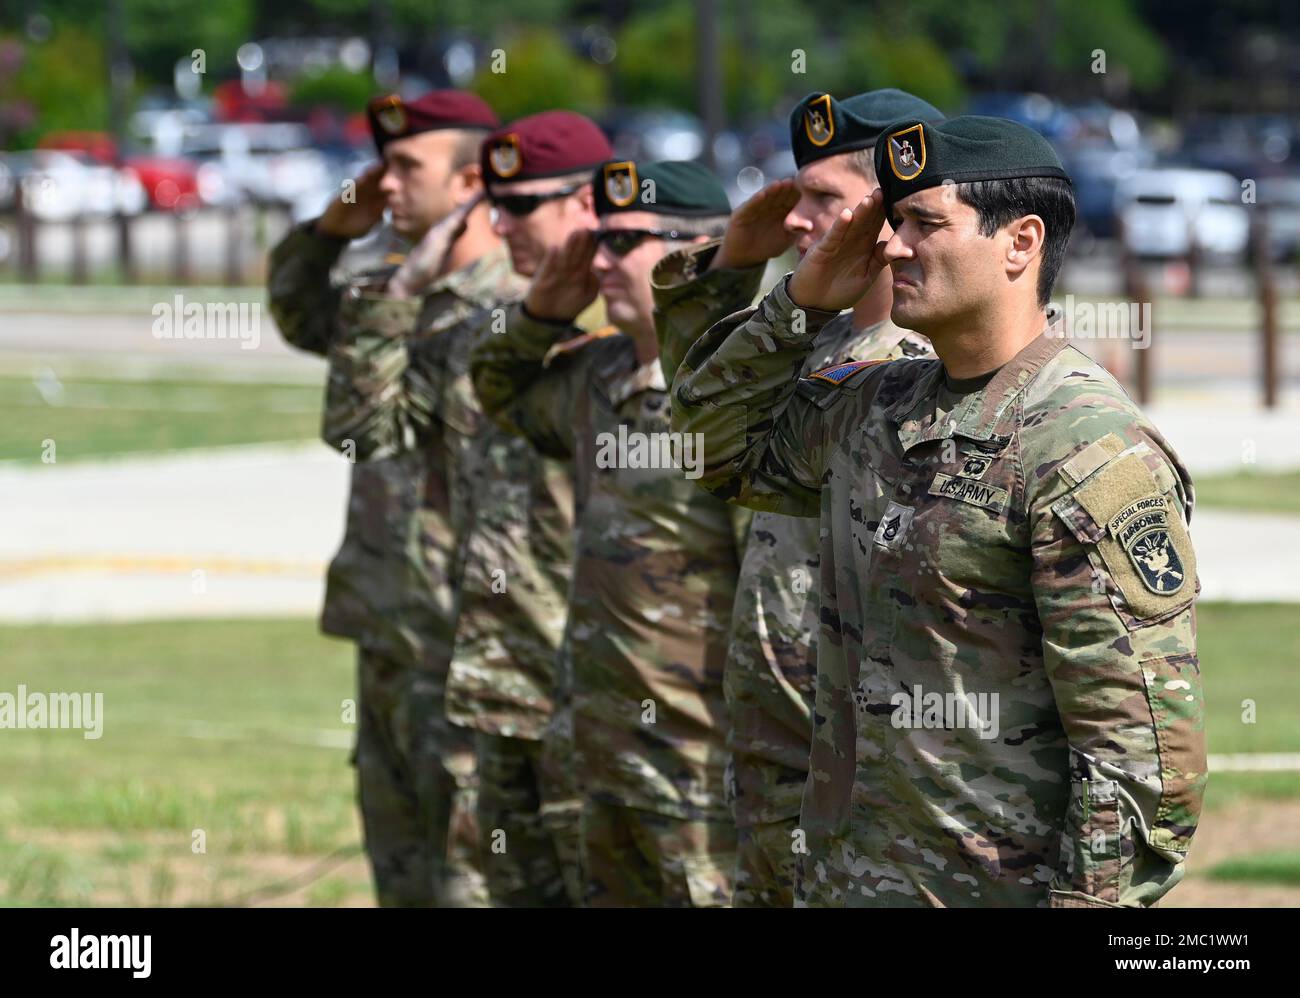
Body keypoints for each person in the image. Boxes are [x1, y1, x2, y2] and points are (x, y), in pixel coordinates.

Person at [671, 115, 1205, 907]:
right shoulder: (877, 402)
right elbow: (707, 447)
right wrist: (803, 301)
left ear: (1019, 243)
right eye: (892, 222)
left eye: (925, 223)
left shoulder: (1084, 443)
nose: (891, 246)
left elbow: (1140, 761)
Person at [650, 89, 940, 907]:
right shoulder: (819, 338)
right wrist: (732, 272)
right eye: (797, 195)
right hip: (776, 747)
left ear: (889, 212)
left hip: (865, 761)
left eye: (825, 199)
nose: (799, 221)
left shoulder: (920, 364)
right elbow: (699, 417)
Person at [470, 159, 748, 907]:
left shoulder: (737, 390)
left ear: (696, 254)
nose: (598, 262)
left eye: (623, 241)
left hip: (698, 774)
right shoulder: (599, 373)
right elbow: (496, 389)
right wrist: (542, 313)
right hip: (597, 760)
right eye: (596, 240)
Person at [267, 89, 501, 907]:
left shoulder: (512, 311)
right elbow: (298, 312)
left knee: (467, 884)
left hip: (464, 640)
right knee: (400, 879)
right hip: (388, 628)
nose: (386, 185)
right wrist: (339, 220)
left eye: (407, 167)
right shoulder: (389, 291)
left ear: (473, 181)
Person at [446, 110, 613, 907]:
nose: (501, 222)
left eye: (525, 205)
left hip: (601, 694)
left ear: (588, 204)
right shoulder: (508, 330)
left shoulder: (648, 331)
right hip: (506, 681)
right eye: (497, 205)